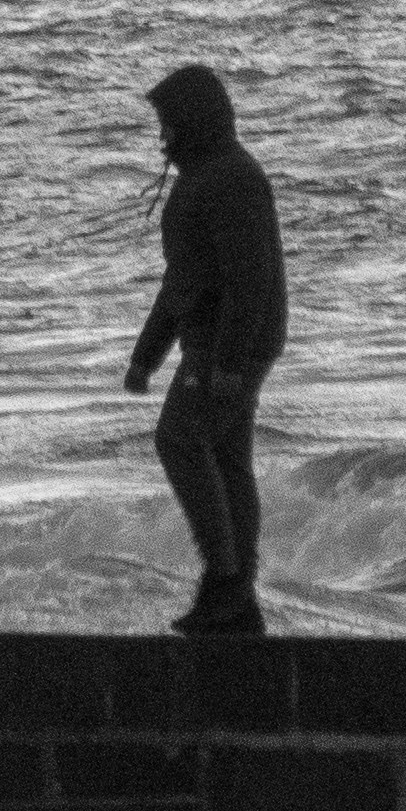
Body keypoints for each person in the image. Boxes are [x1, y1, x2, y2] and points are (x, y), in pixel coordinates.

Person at [120, 62, 287, 636]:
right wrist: (147, 355)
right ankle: (235, 594)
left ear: (195, 119)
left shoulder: (231, 178)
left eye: (169, 122)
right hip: (210, 345)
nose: (163, 135)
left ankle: (226, 583)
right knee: (226, 457)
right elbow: (182, 281)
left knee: (181, 439)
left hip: (226, 346)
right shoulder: (203, 177)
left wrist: (231, 365)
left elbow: (249, 279)